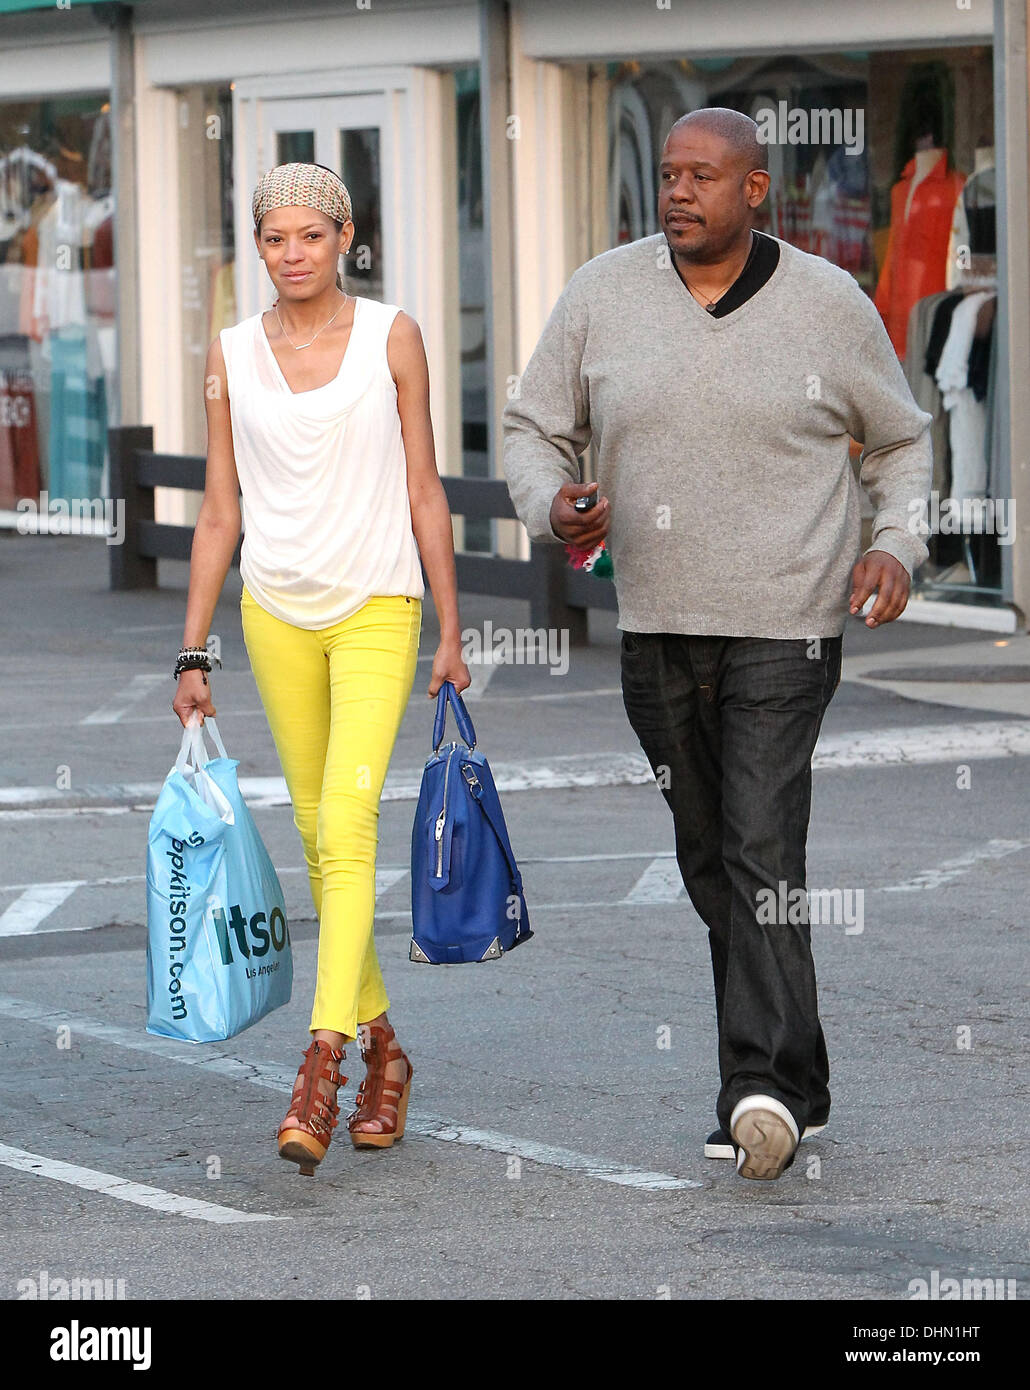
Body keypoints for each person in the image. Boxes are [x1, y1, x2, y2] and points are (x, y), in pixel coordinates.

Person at [503, 109, 932, 1181]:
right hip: (654, 624)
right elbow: (531, 427)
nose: (679, 192)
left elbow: (900, 438)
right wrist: (551, 503)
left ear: (756, 192)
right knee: (712, 856)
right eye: (668, 174)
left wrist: (896, 545)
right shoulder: (602, 293)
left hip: (785, 622)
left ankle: (759, 1087)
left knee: (755, 848)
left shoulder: (828, 305)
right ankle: (803, 1072)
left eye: (704, 176)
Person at [173, 162, 470, 1176]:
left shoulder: (393, 336)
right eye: (273, 238)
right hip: (274, 615)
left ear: (345, 237)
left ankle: (322, 1062)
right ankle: (390, 1054)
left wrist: (451, 627)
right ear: (257, 246)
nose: (292, 253)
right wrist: (193, 645)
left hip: (379, 605)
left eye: (310, 234)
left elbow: (425, 485)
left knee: (347, 825)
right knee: (315, 836)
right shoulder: (227, 355)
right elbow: (220, 507)